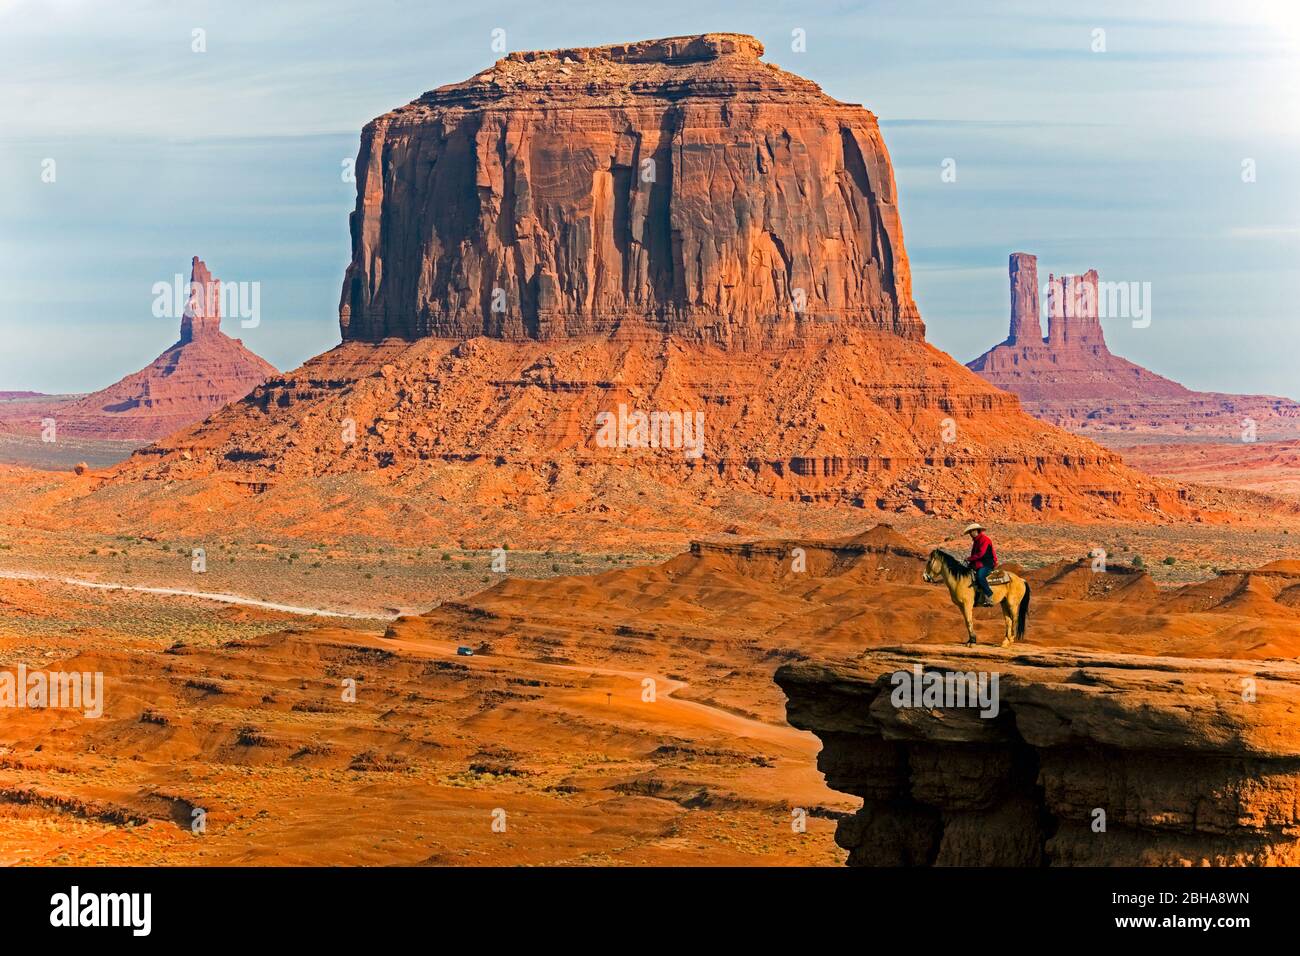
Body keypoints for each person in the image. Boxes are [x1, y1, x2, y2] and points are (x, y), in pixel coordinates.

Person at [964, 522, 997, 607]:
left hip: (987, 563)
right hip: (979, 563)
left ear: (977, 530)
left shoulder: (985, 539)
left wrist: (969, 559)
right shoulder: (976, 541)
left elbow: (981, 554)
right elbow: (975, 554)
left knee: (980, 576)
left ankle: (989, 596)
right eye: (970, 532)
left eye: (972, 531)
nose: (970, 533)